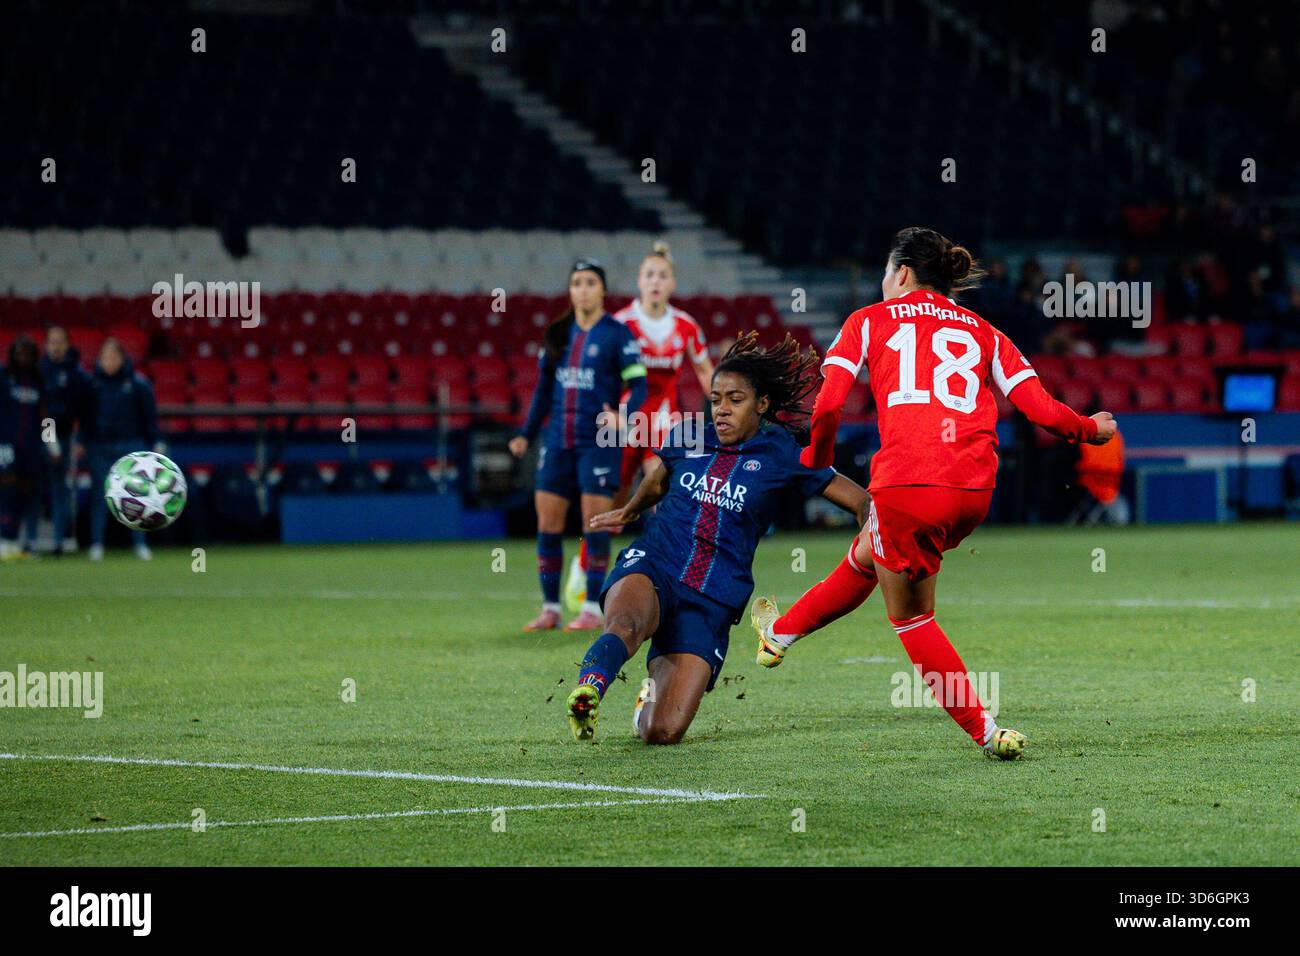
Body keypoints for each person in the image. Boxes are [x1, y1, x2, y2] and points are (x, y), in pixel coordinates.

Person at [749, 227, 1117, 760]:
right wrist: (1092, 429)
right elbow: (1041, 412)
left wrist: (820, 462)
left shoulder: (867, 321)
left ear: (900, 273)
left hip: (909, 483)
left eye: (884, 271)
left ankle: (986, 731)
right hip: (975, 488)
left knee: (912, 616)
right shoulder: (986, 331)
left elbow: (827, 407)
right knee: (872, 550)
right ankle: (780, 634)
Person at [565, 332, 871, 745]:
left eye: (735, 399)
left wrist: (875, 545)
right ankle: (589, 689)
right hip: (656, 561)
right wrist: (630, 510)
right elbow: (658, 478)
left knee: (663, 732)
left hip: (713, 595)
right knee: (626, 623)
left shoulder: (784, 454)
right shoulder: (689, 434)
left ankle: (646, 702)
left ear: (762, 405)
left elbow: (859, 501)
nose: (721, 410)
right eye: (715, 399)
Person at [562, 240, 714, 614]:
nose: (656, 281)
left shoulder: (686, 326)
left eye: (663, 275)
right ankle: (584, 567)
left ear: (673, 283)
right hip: (621, 425)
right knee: (613, 506)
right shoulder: (621, 324)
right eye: (649, 275)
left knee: (667, 503)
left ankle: (663, 581)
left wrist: (727, 411)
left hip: (669, 425)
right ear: (639, 282)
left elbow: (707, 372)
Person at [508, 260, 648, 631]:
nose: (582, 289)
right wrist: (525, 432)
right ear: (570, 291)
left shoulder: (618, 335)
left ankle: (591, 607)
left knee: (595, 525)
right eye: (576, 283)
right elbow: (542, 391)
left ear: (602, 290)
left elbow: (641, 385)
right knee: (548, 524)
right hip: (557, 442)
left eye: (589, 283)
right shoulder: (557, 335)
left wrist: (625, 414)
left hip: (599, 442)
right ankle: (551, 607)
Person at [84, 338, 163, 561]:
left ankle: (140, 544)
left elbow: (149, 417)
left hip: (131, 446)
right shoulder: (92, 384)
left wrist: (155, 442)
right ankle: (97, 544)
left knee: (137, 497)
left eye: (113, 357)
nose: (109, 362)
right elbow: (85, 416)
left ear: (122, 358)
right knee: (100, 496)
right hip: (99, 446)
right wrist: (83, 440)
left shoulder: (138, 384)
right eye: (105, 357)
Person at [0, 336, 60, 560]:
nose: (23, 358)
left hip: (31, 447)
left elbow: (46, 416)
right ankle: (3, 540)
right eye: (19, 353)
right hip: (6, 445)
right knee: (7, 492)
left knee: (26, 494)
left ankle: (15, 541)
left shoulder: (38, 380)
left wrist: (52, 445)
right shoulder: (4, 377)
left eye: (27, 354)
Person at [38, 326, 89, 555]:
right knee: (33, 488)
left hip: (67, 437)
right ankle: (27, 540)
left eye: (60, 342)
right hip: (40, 437)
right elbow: (39, 408)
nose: (56, 346)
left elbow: (83, 408)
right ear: (46, 344)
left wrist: (80, 439)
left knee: (61, 489)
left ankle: (59, 541)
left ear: (67, 344)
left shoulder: (76, 373)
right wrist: (50, 440)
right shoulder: (39, 371)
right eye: (52, 342)